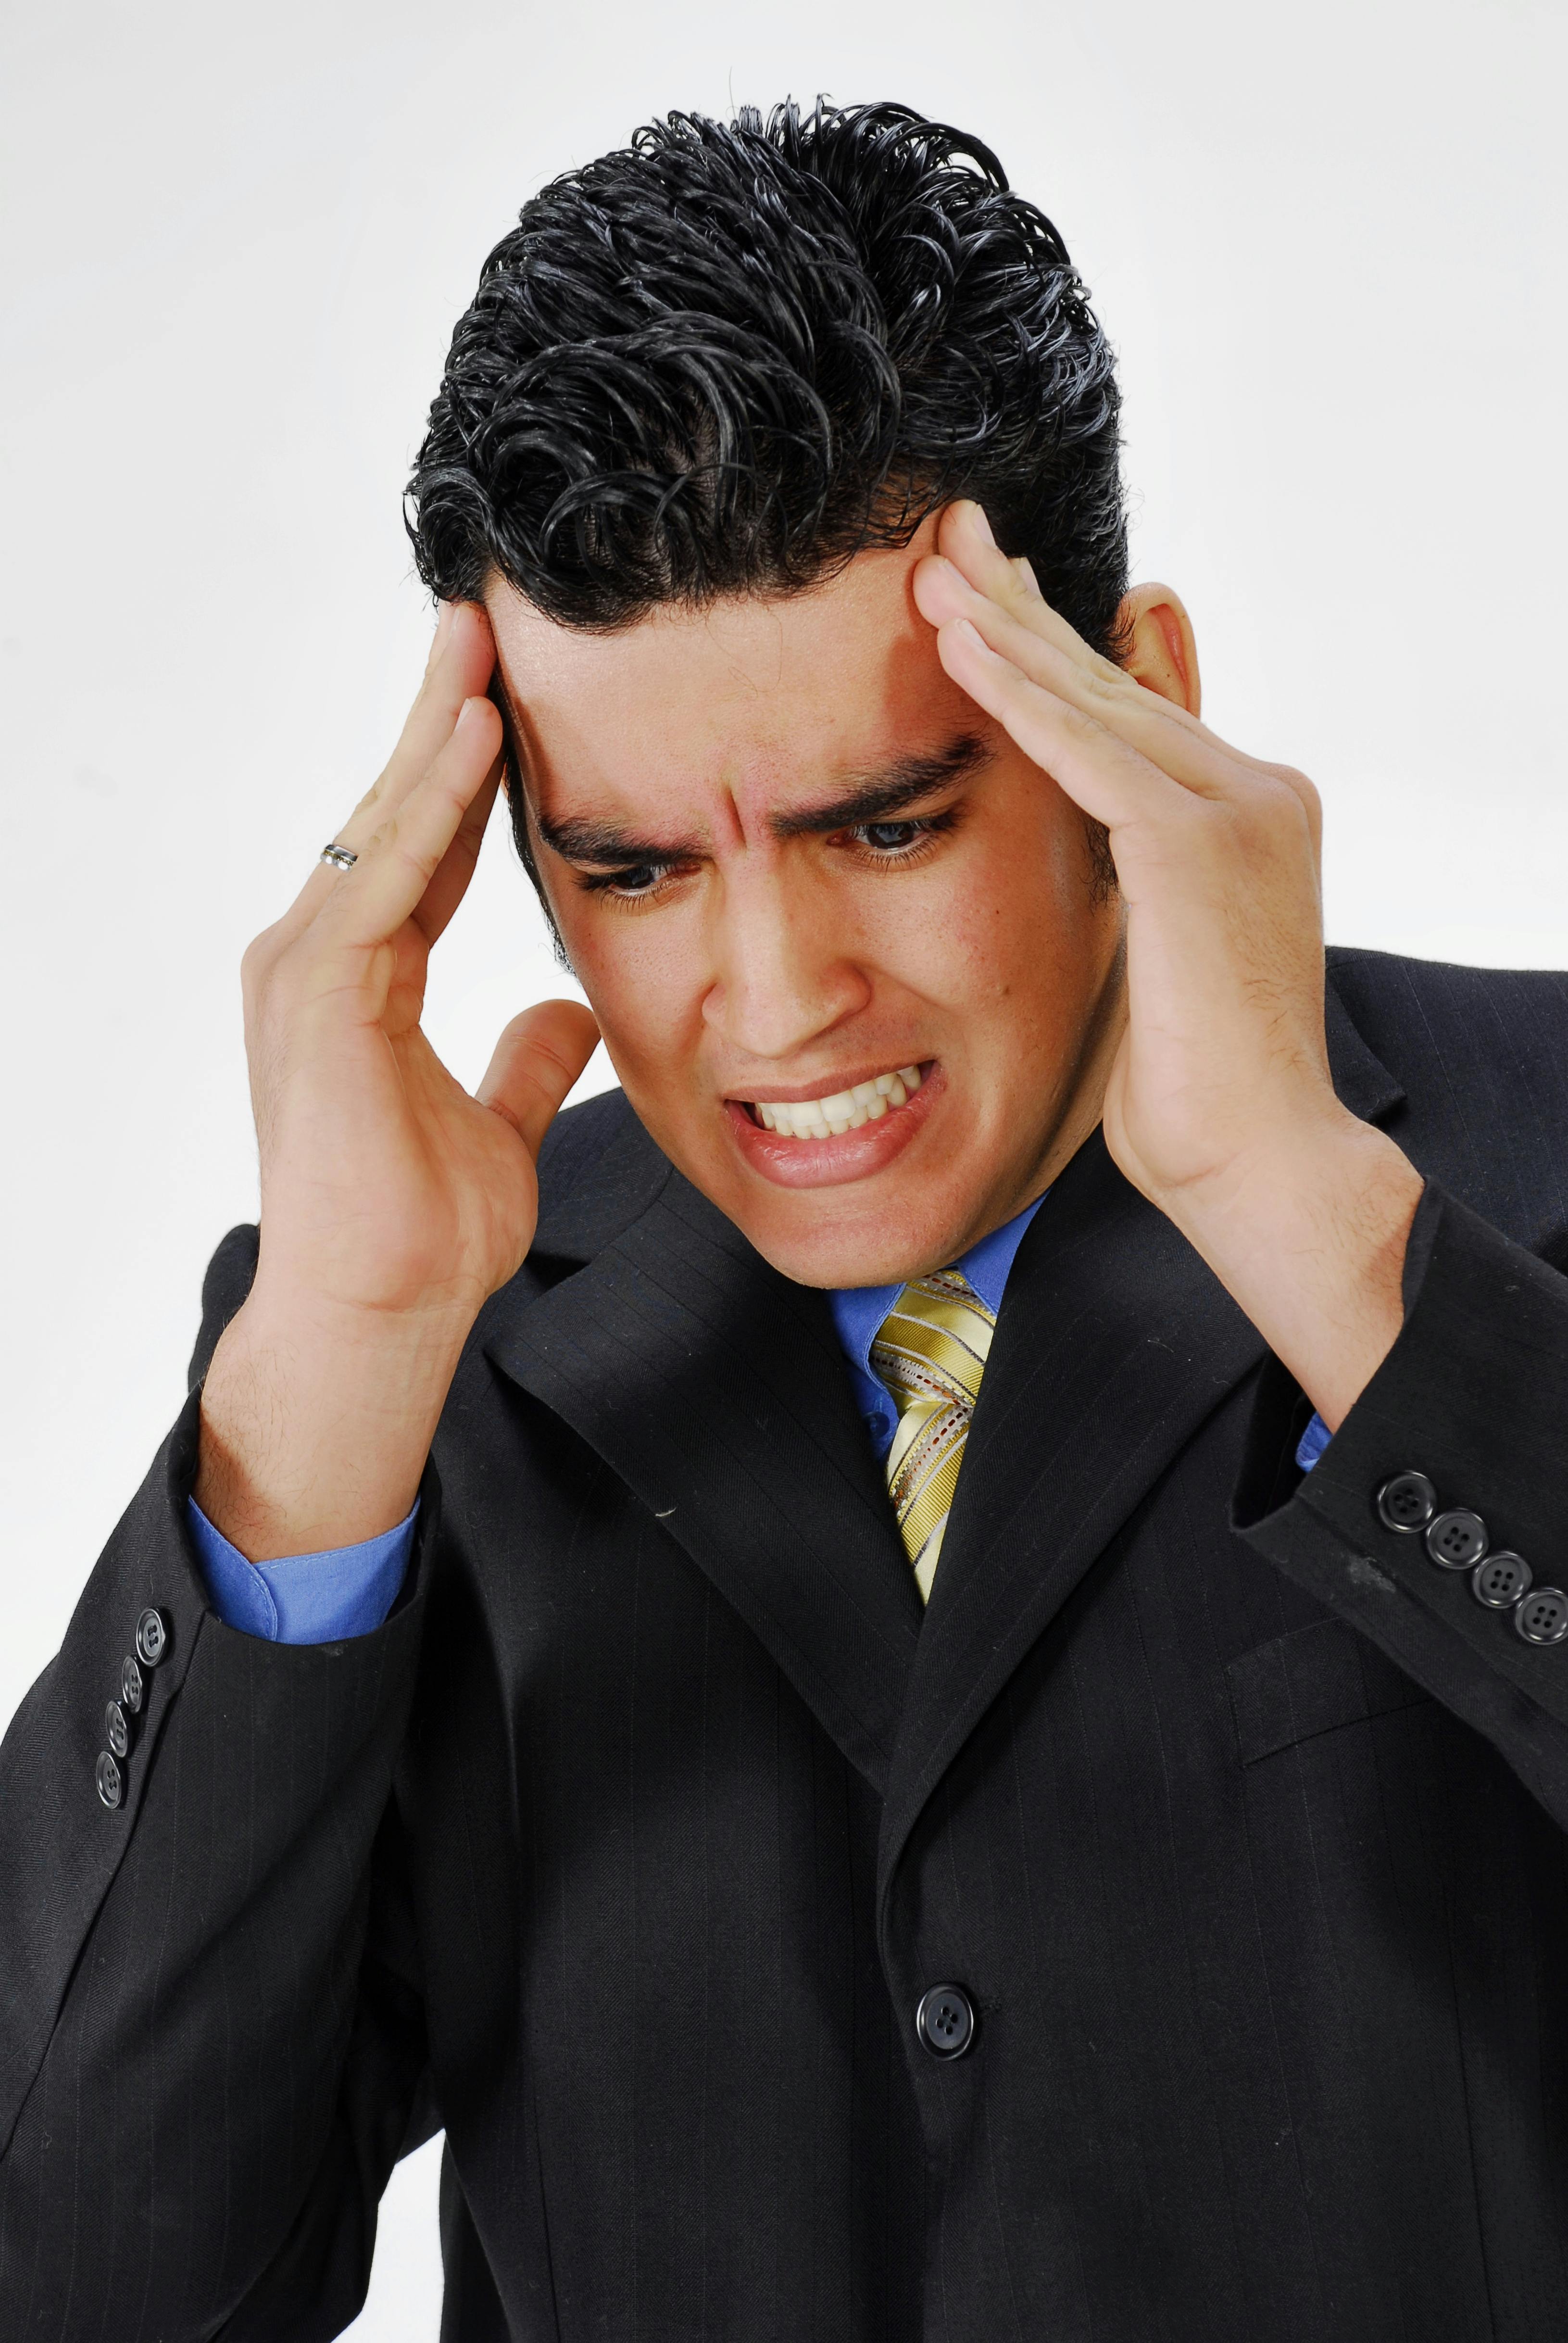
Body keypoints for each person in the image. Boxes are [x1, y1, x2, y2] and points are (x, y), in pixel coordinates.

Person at [4, 96, 1568, 2343]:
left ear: (1140, 708)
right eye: (631, 869)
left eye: (890, 826)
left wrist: (1317, 1229)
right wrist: (336, 1353)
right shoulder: (416, 1363)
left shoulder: (1524, 1162)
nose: (771, 1000)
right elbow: (84, 2284)